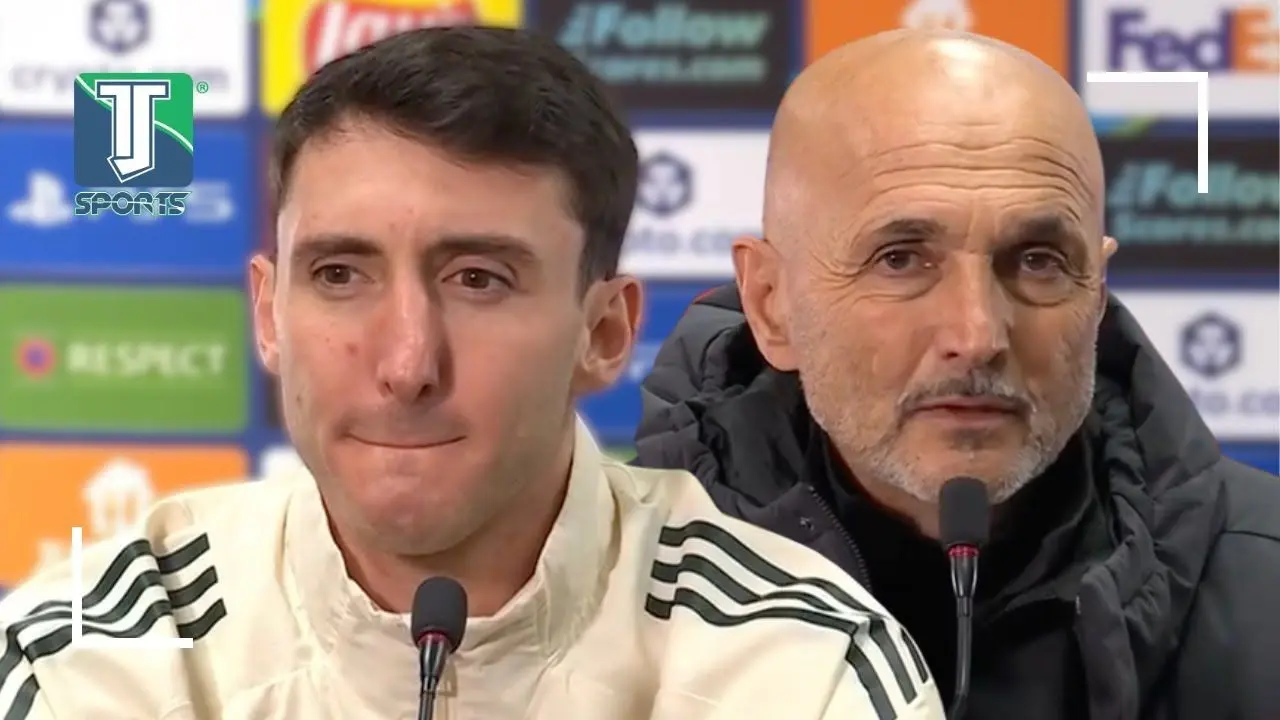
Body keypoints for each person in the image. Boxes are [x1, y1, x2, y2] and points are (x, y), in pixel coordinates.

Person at [0, 27, 943, 720]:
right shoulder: (87, 662)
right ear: (269, 313)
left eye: (478, 279)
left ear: (604, 332)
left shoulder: (803, 667)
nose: (407, 364)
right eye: (341, 276)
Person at [634, 28, 1280, 720]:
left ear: (1096, 292)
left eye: (1037, 261)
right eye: (900, 260)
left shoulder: (1263, 582)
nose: (976, 337)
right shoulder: (610, 594)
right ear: (771, 304)